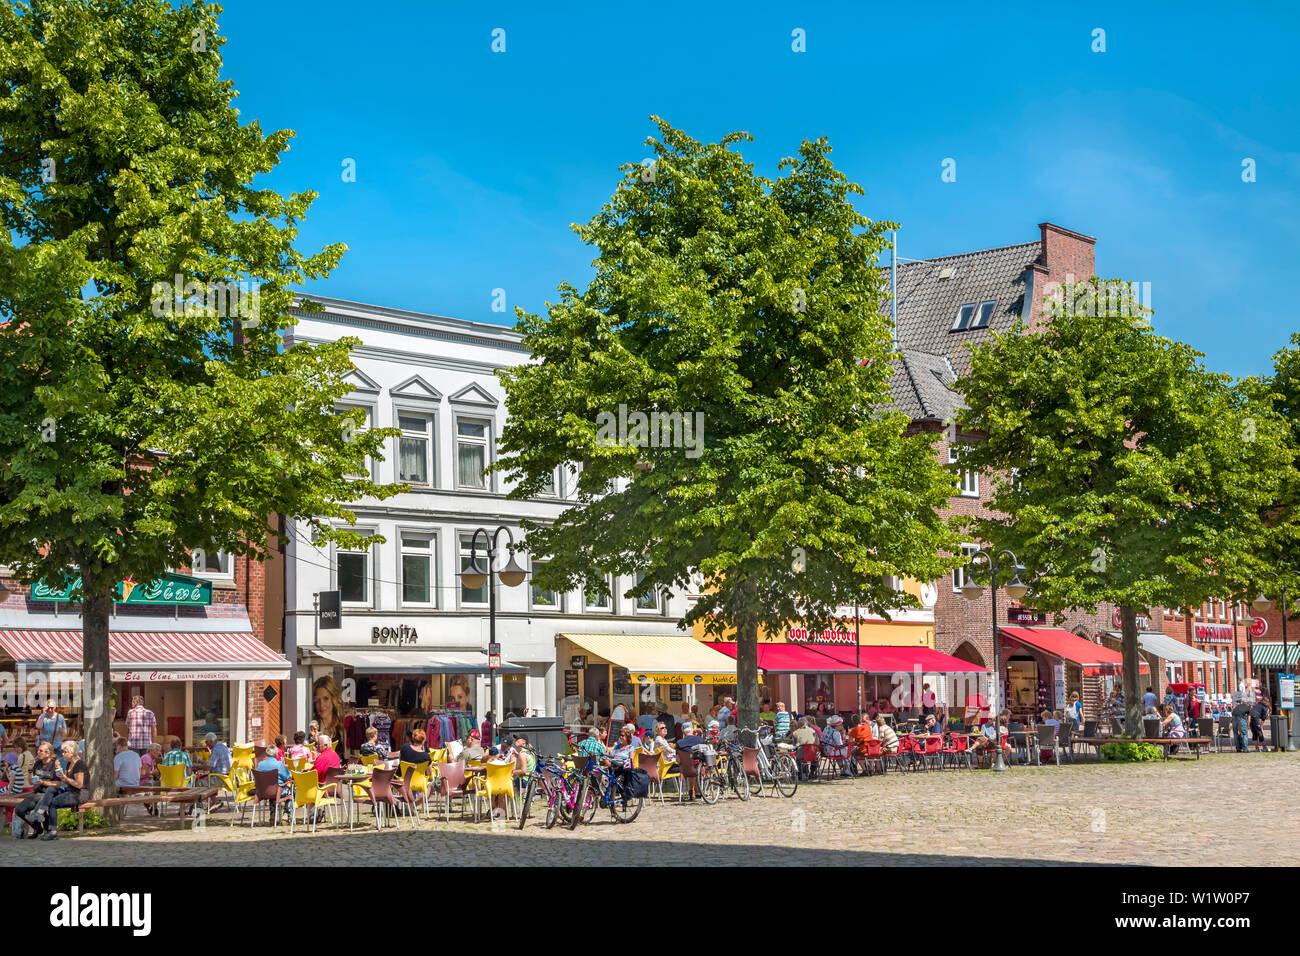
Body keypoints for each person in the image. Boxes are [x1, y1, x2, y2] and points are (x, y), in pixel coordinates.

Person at [312, 676, 346, 759]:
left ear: (334, 699)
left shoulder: (342, 726)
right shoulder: (313, 727)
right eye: (317, 700)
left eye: (326, 699)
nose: (321, 705)